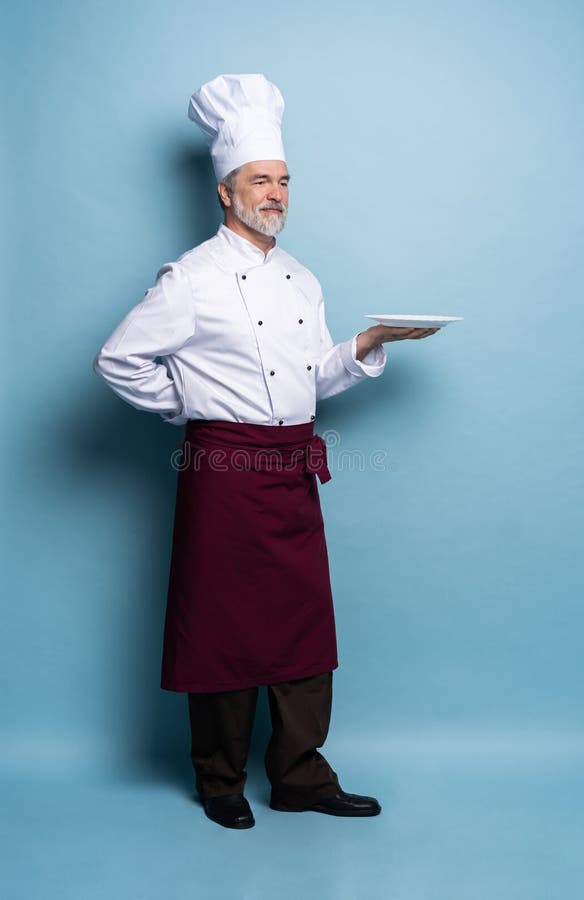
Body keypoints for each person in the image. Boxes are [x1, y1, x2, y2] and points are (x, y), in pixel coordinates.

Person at [92, 73, 439, 830]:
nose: (276, 192)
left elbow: (312, 374)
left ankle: (300, 776)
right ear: (225, 190)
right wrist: (189, 404)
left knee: (304, 627)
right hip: (221, 468)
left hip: (291, 469)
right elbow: (118, 361)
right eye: (260, 180)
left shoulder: (302, 279)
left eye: (283, 180)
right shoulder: (192, 277)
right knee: (221, 627)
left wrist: (367, 343)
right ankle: (219, 780)